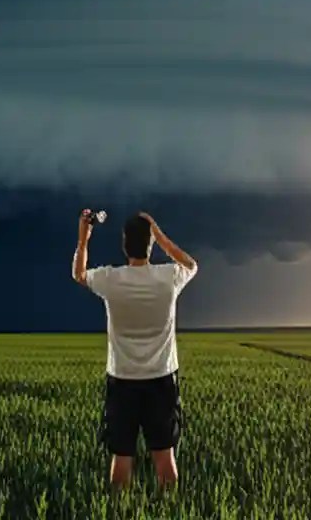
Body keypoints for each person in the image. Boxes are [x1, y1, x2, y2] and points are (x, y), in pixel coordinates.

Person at [72, 209, 198, 490]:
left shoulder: (111, 279)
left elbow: (78, 274)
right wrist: (159, 233)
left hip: (123, 382)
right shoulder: (168, 278)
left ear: (124, 244)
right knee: (165, 460)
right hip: (161, 381)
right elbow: (191, 265)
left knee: (121, 457)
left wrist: (84, 238)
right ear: (151, 244)